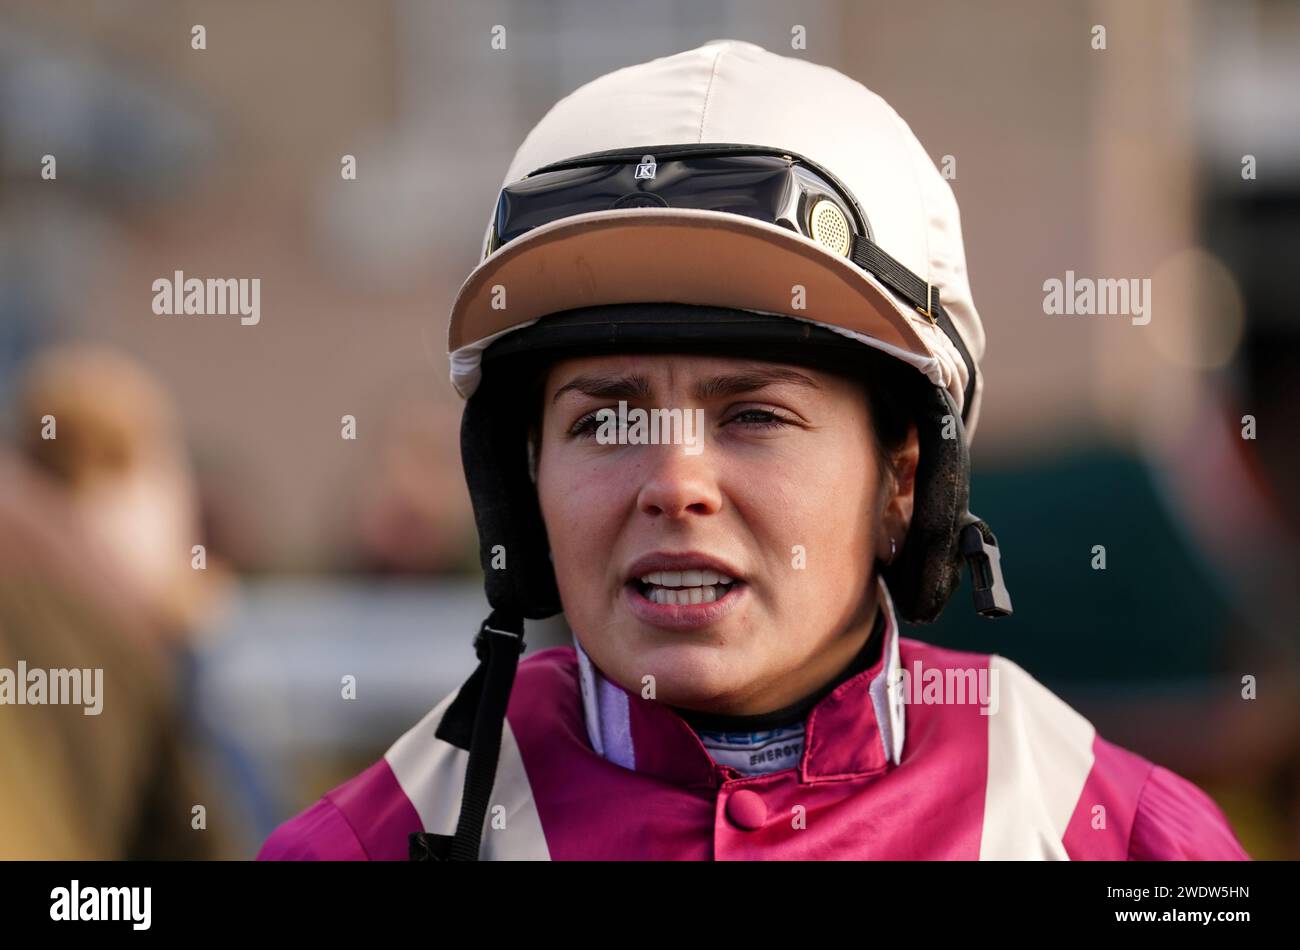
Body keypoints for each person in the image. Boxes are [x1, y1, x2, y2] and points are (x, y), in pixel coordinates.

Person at [259, 40, 1248, 860]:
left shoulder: (1117, 837)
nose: (675, 484)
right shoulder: (365, 843)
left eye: (754, 417)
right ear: (524, 485)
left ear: (904, 480)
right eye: (605, 421)